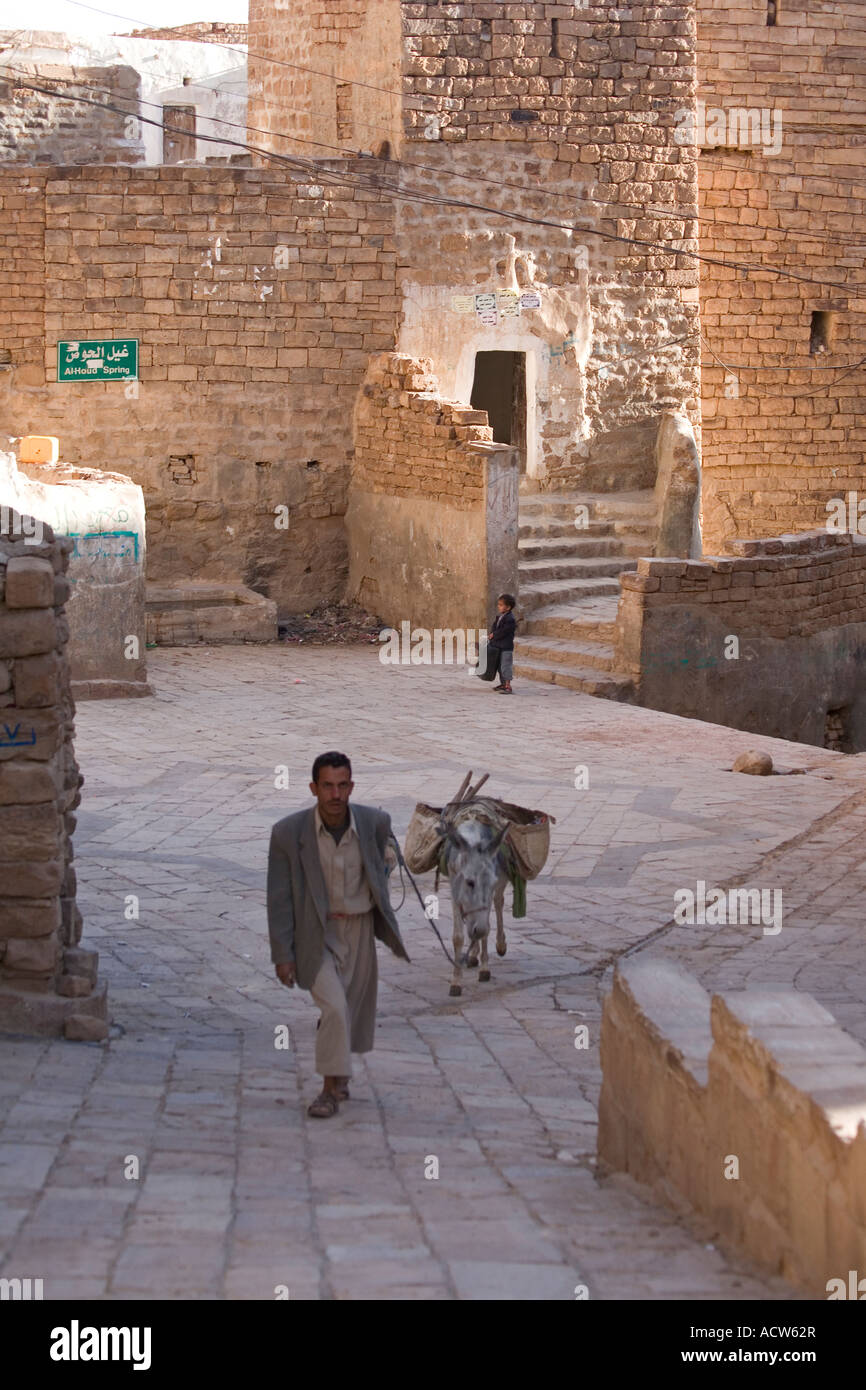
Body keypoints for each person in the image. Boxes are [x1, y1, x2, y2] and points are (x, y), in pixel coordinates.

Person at [266, 751, 410, 1118]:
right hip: (317, 932)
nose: (335, 795)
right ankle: (328, 1091)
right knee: (333, 1005)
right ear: (314, 788)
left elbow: (380, 871)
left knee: (351, 1011)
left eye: (342, 786)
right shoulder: (288, 834)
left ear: (352, 786)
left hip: (359, 929)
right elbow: (279, 898)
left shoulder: (375, 823)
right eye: (327, 786)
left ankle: (340, 1074)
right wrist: (283, 954)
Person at [476, 592, 517, 693]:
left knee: (505, 666)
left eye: (501, 605)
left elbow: (504, 631)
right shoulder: (500, 617)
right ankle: (503, 684)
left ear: (508, 607)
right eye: (498, 604)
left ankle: (508, 686)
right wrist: (491, 635)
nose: (499, 606)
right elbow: (494, 628)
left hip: (506, 648)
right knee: (499, 666)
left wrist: (494, 635)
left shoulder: (510, 619)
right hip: (498, 647)